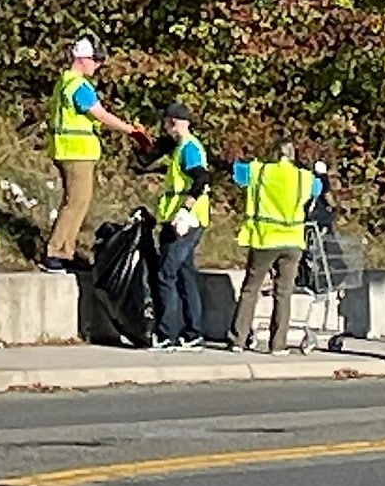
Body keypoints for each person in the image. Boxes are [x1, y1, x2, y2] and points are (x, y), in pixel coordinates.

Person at [41, 37, 153, 274]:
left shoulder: (65, 82)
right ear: (82, 60)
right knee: (76, 202)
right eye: (95, 60)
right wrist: (130, 130)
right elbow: (100, 115)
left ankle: (65, 251)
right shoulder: (80, 87)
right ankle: (56, 253)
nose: (98, 65)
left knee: (76, 202)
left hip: (66, 150)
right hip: (76, 152)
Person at [226, 140, 327, 355]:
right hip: (293, 241)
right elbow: (320, 188)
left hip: (265, 238)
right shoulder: (303, 177)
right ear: (293, 156)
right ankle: (278, 344)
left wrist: (243, 158)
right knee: (284, 293)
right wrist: (321, 173)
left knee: (250, 289)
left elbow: (236, 172)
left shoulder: (260, 171)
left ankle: (238, 339)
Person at [134, 102, 211, 351]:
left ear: (173, 122)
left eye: (166, 123)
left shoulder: (189, 148)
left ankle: (167, 332)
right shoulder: (181, 147)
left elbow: (201, 178)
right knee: (185, 274)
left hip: (185, 221)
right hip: (181, 218)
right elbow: (146, 158)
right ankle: (192, 332)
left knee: (166, 273)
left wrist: (185, 210)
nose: (165, 128)